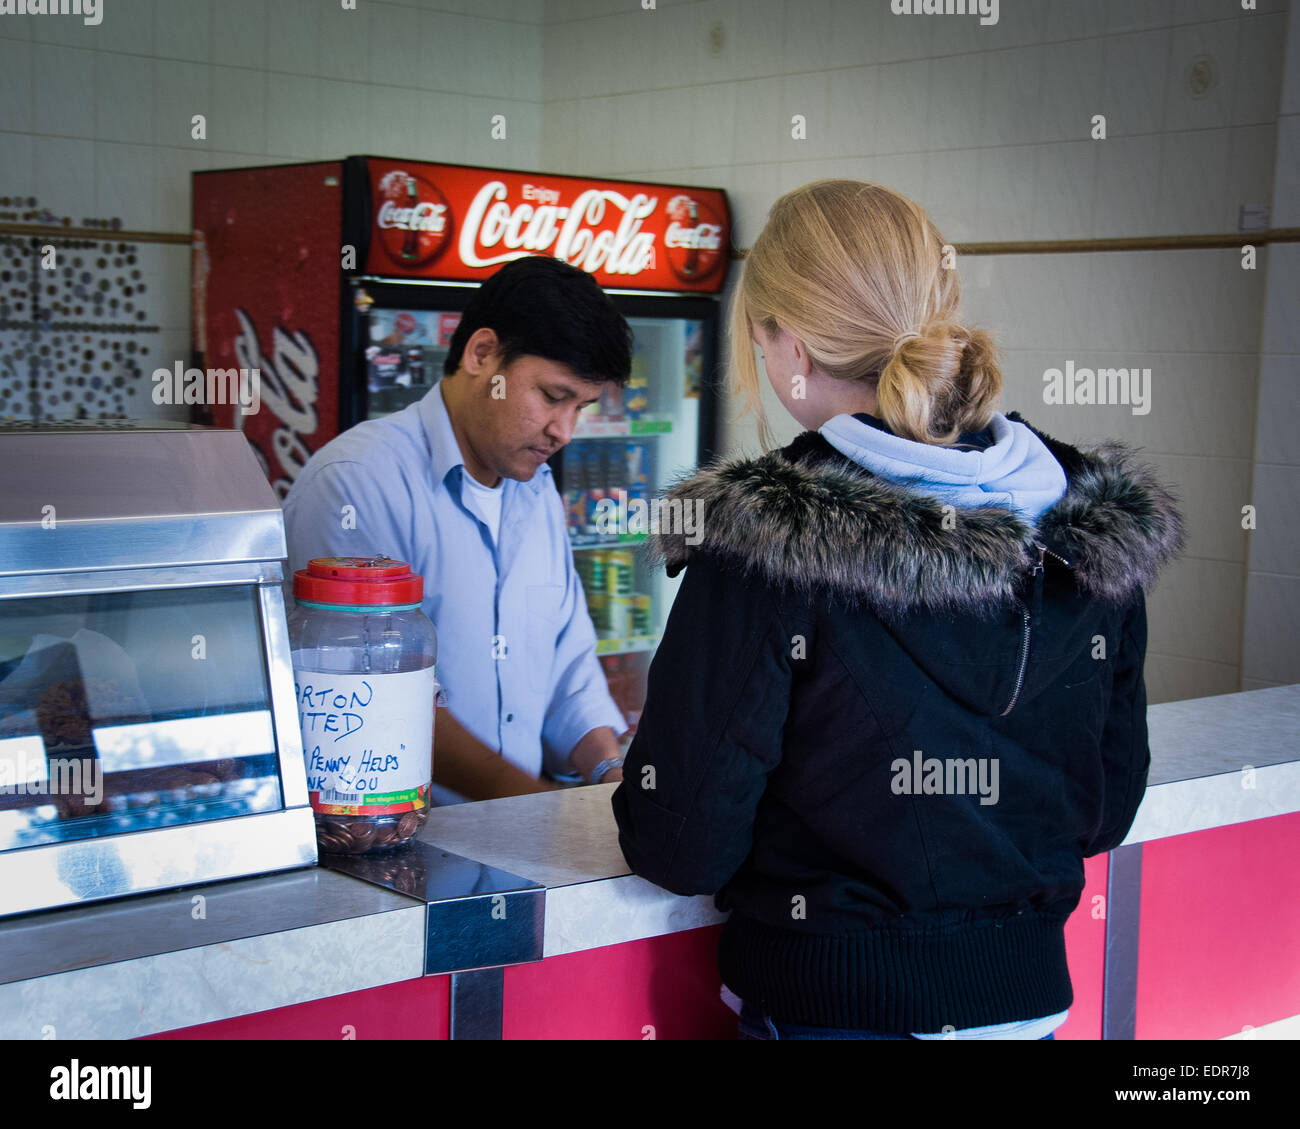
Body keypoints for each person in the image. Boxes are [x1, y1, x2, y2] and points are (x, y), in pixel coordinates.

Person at [610, 180, 1185, 1040]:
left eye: (761, 341)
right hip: (1027, 1005)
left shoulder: (765, 534)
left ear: (791, 347)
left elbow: (681, 842)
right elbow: (1103, 809)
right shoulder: (1086, 517)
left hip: (829, 1006)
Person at [284, 256, 631, 801]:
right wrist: (531, 806)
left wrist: (610, 777)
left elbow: (568, 665)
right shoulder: (357, 483)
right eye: (552, 396)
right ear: (481, 353)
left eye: (581, 407)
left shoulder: (534, 486)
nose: (564, 431)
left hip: (515, 832)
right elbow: (375, 695)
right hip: (391, 842)